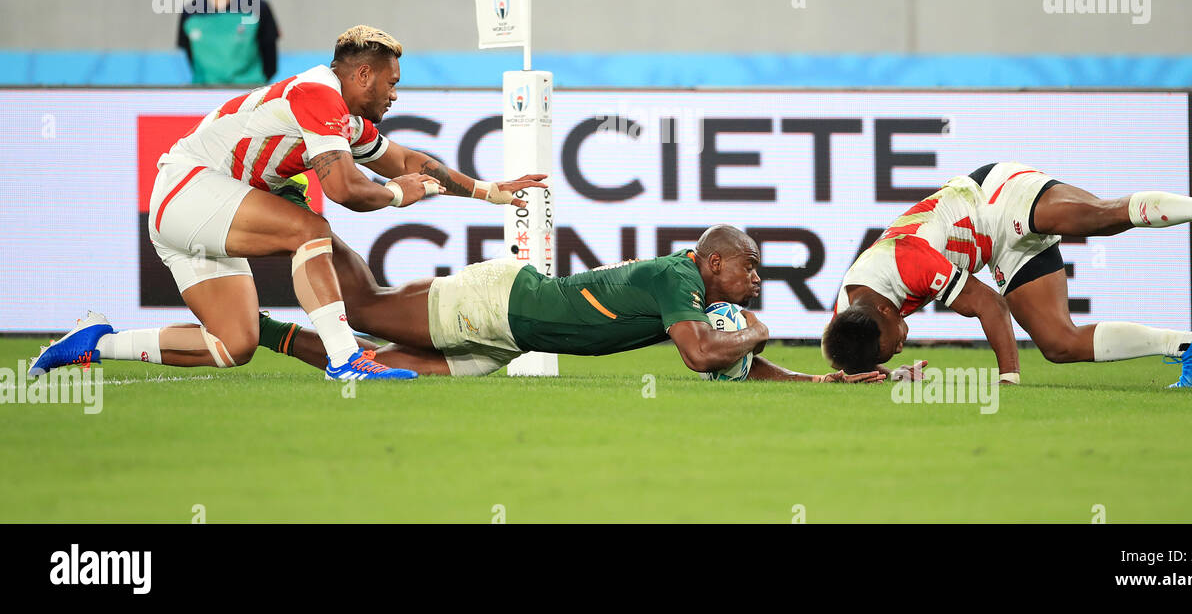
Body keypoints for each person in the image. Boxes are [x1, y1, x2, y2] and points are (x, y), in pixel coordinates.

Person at [30, 26, 549, 382]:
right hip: (187, 188)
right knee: (309, 229)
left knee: (232, 345)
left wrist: (489, 192)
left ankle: (96, 342)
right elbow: (346, 189)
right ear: (362, 74)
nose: (395, 95)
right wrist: (395, 196)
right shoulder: (317, 92)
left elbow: (407, 160)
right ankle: (346, 360)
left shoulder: (345, 118)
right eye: (391, 83)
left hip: (200, 208)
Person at [258, 224, 893, 382]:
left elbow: (737, 366)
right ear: (714, 261)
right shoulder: (680, 277)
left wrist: (825, 379)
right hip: (499, 301)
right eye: (749, 266)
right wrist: (754, 331)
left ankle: (269, 335)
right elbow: (705, 358)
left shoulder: (693, 291)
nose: (757, 278)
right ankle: (303, 219)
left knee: (377, 370)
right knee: (365, 308)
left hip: (512, 336)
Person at [821, 161, 1192, 389]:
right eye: (894, 351)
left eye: (891, 341)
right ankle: (1191, 346)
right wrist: (885, 375)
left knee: (1097, 218)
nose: (900, 344)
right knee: (1059, 344)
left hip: (997, 197)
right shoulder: (849, 320)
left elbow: (989, 305)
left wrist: (1007, 376)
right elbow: (854, 363)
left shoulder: (909, 261)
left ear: (882, 307)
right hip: (998, 250)